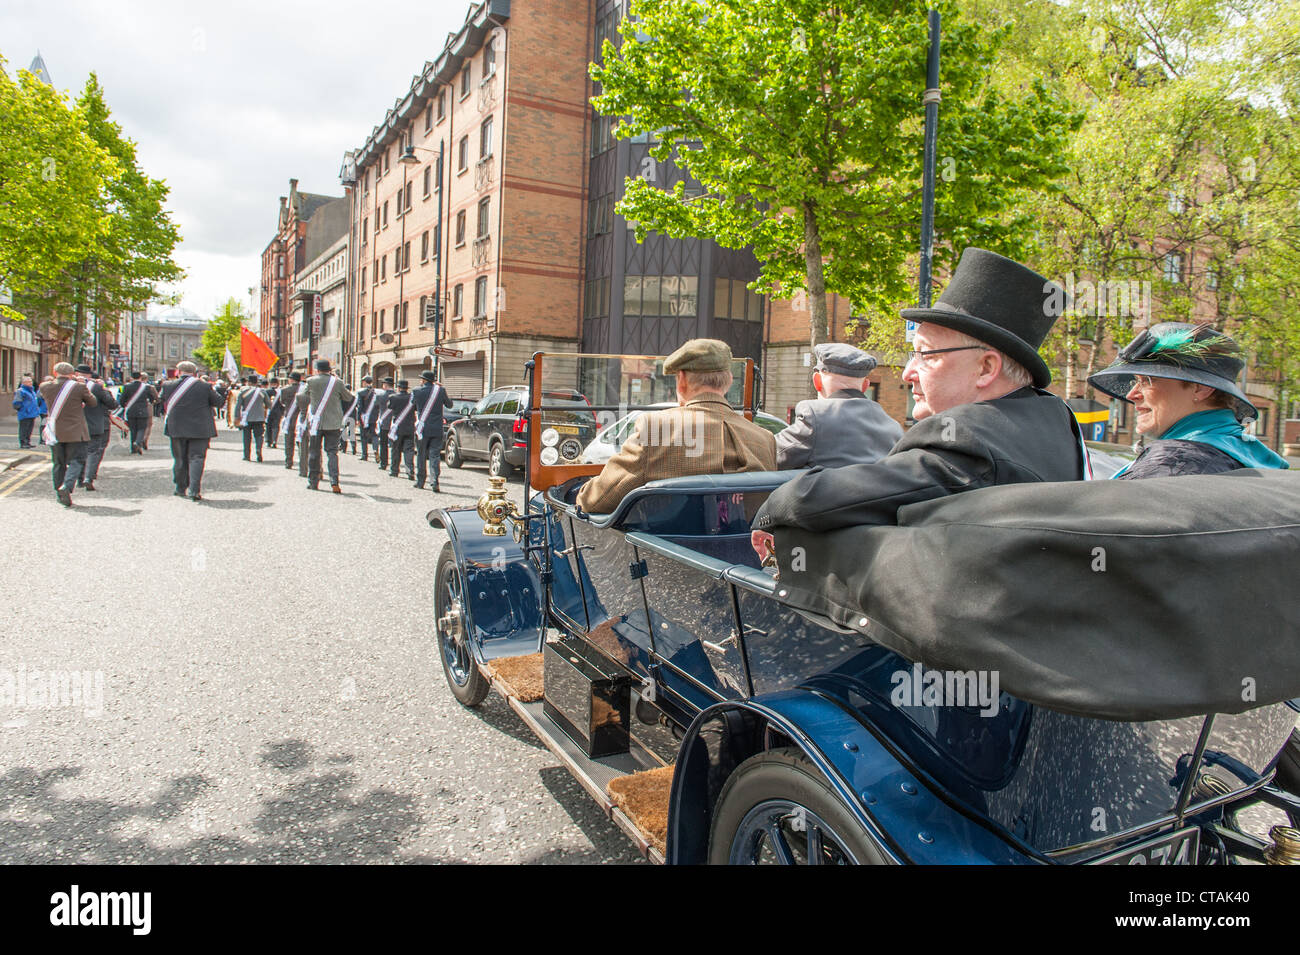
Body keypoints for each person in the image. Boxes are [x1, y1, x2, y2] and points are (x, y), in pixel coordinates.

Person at [752, 248, 1087, 559]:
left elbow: (813, 499)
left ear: (986, 368)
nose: (908, 372)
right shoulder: (1057, 423)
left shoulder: (967, 441)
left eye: (926, 354)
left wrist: (771, 510)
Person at [576, 338, 777, 514]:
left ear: (681, 380)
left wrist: (580, 494)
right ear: (729, 381)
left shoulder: (654, 428)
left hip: (662, 551)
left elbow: (597, 500)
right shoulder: (765, 438)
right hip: (743, 552)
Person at [1087, 322, 1289, 479]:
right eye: (1135, 381)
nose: (1132, 395)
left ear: (1201, 388)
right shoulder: (1247, 455)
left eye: (1146, 381)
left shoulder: (1174, 463)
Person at [775, 342, 902, 469]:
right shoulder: (894, 428)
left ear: (817, 381)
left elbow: (770, 454)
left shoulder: (816, 417)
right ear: (865, 386)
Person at [161, 360, 223, 501]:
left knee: (179, 459)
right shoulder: (205, 386)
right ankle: (194, 491)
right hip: (200, 428)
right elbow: (219, 402)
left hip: (177, 427)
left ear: (178, 372)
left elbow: (160, 400)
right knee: (197, 458)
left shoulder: (168, 385)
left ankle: (180, 488)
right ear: (195, 373)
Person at [38, 362, 98, 507]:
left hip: (55, 431)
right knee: (77, 460)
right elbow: (93, 402)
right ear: (73, 374)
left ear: (54, 372)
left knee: (58, 463)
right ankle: (67, 486)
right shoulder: (78, 387)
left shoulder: (45, 386)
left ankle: (59, 492)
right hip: (76, 432)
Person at [297, 358, 354, 493]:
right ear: (330, 370)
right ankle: (334, 481)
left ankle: (313, 482)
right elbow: (348, 398)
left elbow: (302, 396)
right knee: (332, 453)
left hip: (316, 422)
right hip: (333, 423)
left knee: (314, 453)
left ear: (317, 370)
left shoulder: (311, 381)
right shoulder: (337, 382)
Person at [76, 365, 118, 492]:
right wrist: (103, 389)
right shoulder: (96, 387)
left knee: (78, 452)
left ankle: (78, 479)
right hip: (94, 424)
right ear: (89, 375)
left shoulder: (69, 385)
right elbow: (113, 404)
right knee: (93, 452)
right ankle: (88, 478)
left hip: (75, 425)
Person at [411, 370, 453, 490]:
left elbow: (412, 405)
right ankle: (435, 481)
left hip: (422, 428)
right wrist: (441, 389)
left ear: (423, 380)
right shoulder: (440, 390)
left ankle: (420, 482)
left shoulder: (416, 391)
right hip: (436, 428)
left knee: (421, 455)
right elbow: (449, 405)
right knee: (435, 456)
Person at [385, 379, 417, 480]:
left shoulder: (393, 397)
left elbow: (389, 406)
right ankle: (410, 471)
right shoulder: (412, 398)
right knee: (409, 450)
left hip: (397, 427)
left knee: (396, 450)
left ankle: (394, 470)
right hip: (409, 427)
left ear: (398, 388)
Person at [119, 371, 157, 455]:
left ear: (132, 377)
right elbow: (151, 398)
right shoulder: (146, 387)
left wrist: (124, 406)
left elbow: (122, 400)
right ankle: (138, 442)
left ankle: (133, 449)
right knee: (141, 428)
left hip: (131, 410)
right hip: (142, 410)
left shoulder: (127, 386)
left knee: (133, 429)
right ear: (140, 377)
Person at [236, 374, 271, 461]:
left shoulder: (243, 391)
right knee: (259, 435)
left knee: (247, 437)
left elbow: (238, 406)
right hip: (259, 417)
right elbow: (269, 404)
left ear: (248, 382)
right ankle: (259, 449)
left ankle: (247, 455)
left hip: (246, 418)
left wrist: (237, 417)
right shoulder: (262, 392)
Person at [278, 372, 306, 470]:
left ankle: (288, 462)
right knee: (301, 441)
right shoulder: (305, 390)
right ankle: (302, 461)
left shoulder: (285, 390)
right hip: (301, 418)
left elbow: (282, 402)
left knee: (289, 441)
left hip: (289, 417)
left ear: (291, 379)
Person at [12, 374, 45, 449]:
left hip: (32, 413)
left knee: (29, 429)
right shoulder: (21, 391)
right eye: (29, 382)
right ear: (24, 383)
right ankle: (23, 443)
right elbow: (16, 403)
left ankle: (27, 442)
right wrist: (23, 409)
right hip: (25, 413)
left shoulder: (32, 391)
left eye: (31, 381)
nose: (31, 383)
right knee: (24, 429)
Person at [374, 377, 396, 471]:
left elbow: (375, 406)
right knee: (395, 446)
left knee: (383, 444)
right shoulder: (397, 395)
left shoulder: (380, 395)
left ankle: (384, 463)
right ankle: (395, 465)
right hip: (395, 423)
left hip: (384, 422)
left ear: (385, 385)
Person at [354, 376, 378, 461]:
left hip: (364, 417)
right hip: (373, 417)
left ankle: (364, 455)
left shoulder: (361, 392)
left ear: (364, 382)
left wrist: (358, 419)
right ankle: (375, 449)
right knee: (374, 434)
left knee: (363, 436)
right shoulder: (376, 392)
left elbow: (360, 407)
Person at [265, 378, 283, 448]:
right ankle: (275, 440)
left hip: (269, 411)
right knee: (276, 426)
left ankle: (268, 441)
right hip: (278, 411)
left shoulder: (267, 391)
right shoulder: (281, 392)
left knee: (268, 426)